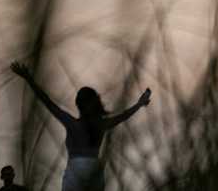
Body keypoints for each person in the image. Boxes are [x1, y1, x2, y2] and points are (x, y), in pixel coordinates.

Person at [10, 61, 151, 191]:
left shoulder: (72, 123)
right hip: (94, 170)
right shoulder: (101, 124)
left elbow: (47, 102)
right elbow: (124, 115)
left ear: (78, 105)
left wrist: (29, 79)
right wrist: (139, 104)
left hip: (75, 172)